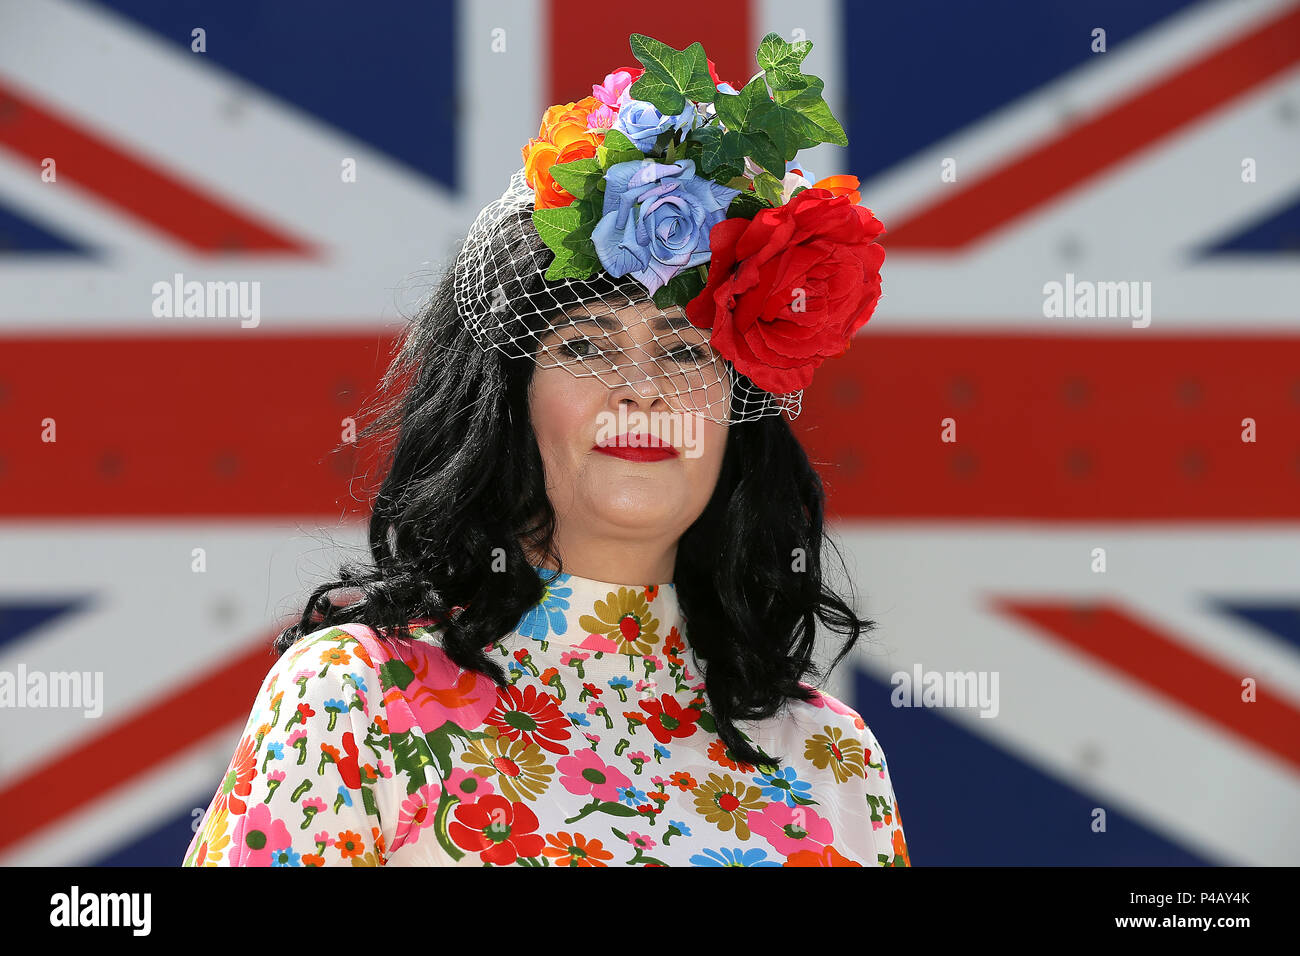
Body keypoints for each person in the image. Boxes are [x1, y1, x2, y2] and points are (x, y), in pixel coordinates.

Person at [183, 33, 908, 867]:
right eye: (586, 345)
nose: (641, 391)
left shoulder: (831, 757)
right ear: (504, 402)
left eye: (682, 351)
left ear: (740, 413)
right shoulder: (356, 699)